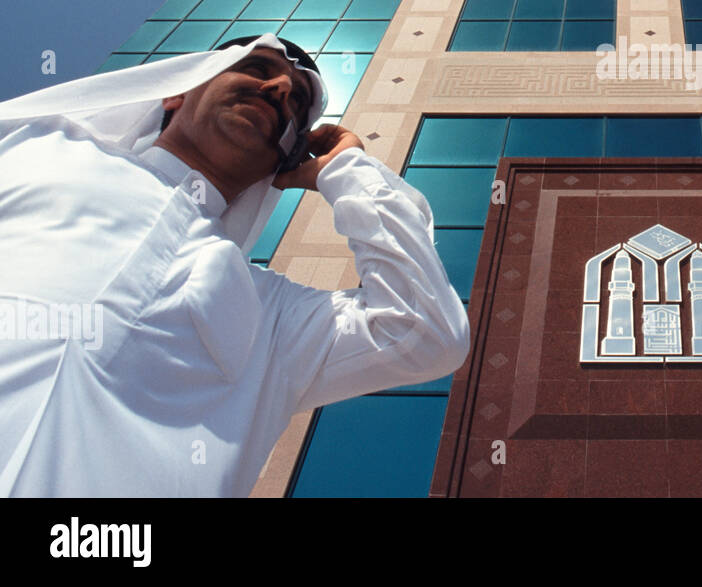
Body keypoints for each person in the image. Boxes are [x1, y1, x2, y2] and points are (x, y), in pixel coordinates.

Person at [0, 33, 470, 497]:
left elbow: (425, 332)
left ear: (287, 157)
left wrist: (346, 172)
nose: (281, 90)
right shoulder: (41, 149)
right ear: (179, 88)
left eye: (297, 101)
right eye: (256, 69)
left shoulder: (274, 318)